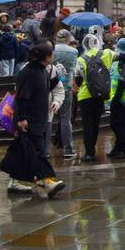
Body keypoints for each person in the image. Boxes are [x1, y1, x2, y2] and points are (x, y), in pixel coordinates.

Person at [4, 41, 64, 198]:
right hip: (29, 120)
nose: (53, 56)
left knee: (23, 151)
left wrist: (57, 78)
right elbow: (22, 97)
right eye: (51, 53)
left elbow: (43, 89)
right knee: (38, 151)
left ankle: (14, 182)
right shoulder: (29, 72)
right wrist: (22, 118)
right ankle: (46, 181)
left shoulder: (42, 71)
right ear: (45, 57)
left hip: (38, 119)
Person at [74, 33, 113, 164]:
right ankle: (93, 149)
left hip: (85, 96)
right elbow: (122, 55)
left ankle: (89, 152)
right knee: (96, 123)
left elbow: (78, 80)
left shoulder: (80, 59)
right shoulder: (105, 54)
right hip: (99, 94)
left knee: (87, 124)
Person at [51, 30, 79, 160]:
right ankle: (68, 149)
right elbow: (73, 70)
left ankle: (45, 151)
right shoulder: (73, 52)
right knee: (65, 119)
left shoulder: (51, 49)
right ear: (68, 39)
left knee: (48, 119)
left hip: (50, 87)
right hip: (66, 87)